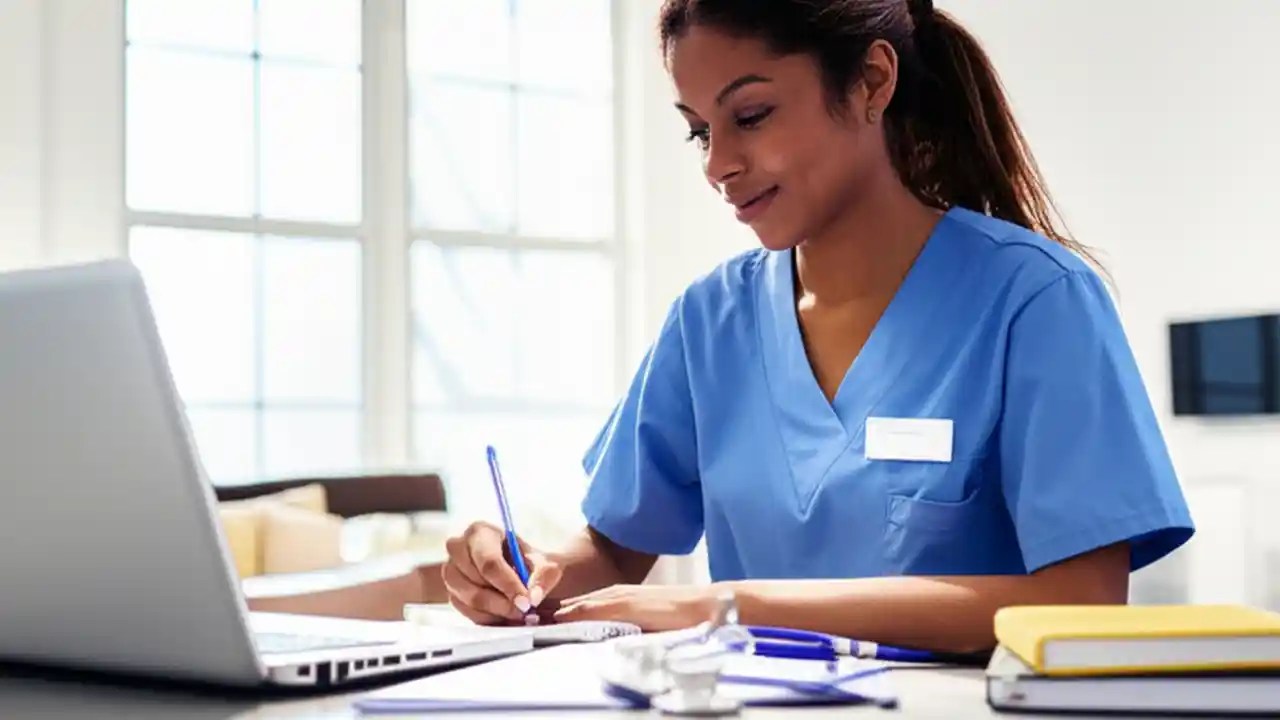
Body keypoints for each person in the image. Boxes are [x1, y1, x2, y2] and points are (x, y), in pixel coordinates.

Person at [442, 0, 1194, 653]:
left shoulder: (1035, 300)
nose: (719, 166)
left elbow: (1082, 602)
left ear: (871, 82)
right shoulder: (711, 322)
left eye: (752, 116)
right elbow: (613, 548)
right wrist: (515, 573)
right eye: (700, 132)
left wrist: (729, 610)